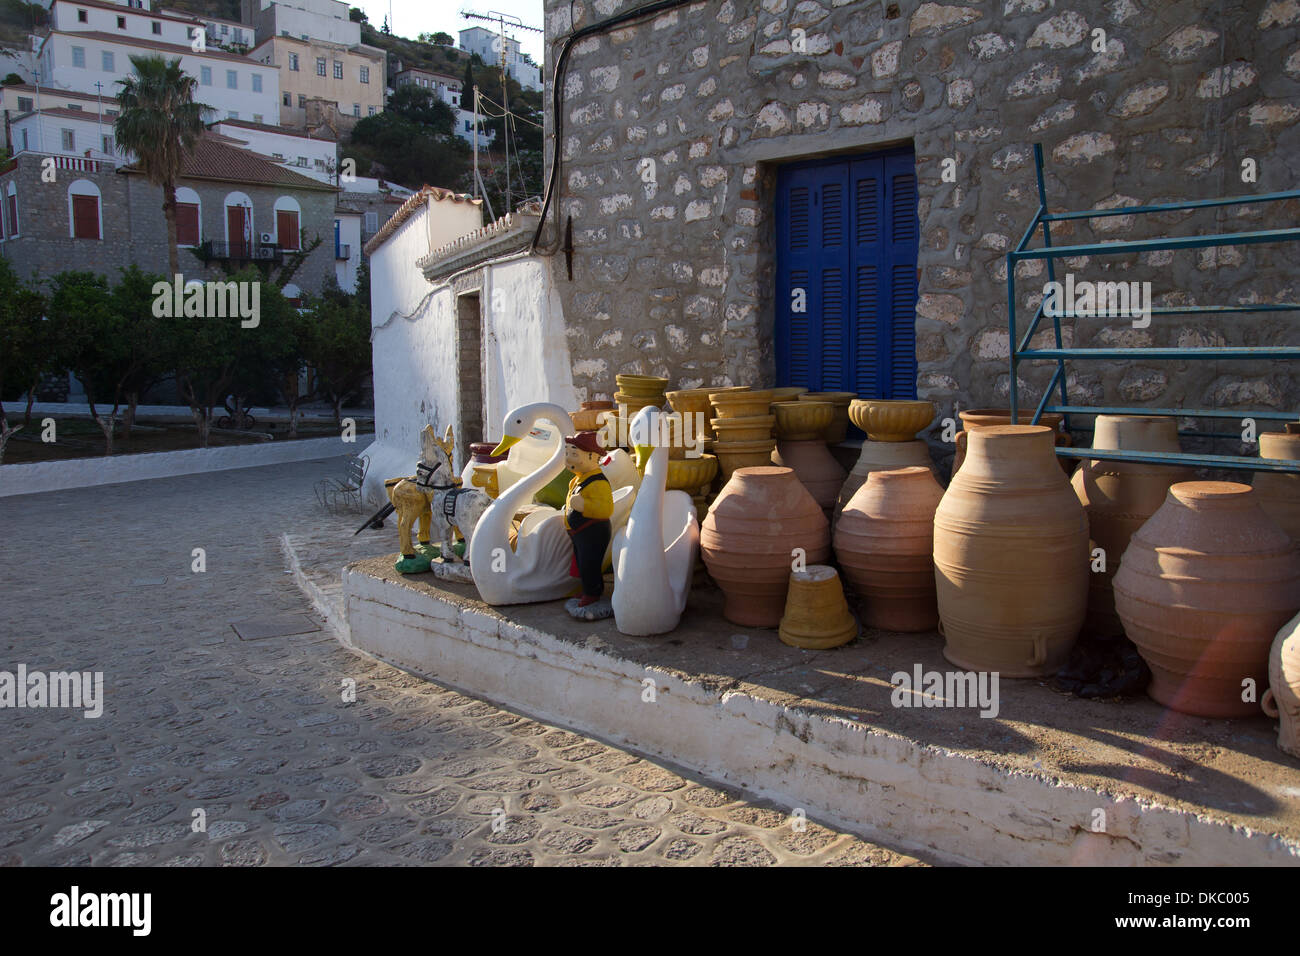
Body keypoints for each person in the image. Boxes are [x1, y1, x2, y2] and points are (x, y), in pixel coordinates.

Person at [563, 430, 613, 609]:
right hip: (579, 532)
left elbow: (606, 509)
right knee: (581, 562)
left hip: (593, 531)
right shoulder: (577, 480)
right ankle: (588, 589)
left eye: (574, 454)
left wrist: (584, 506)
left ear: (593, 457)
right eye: (567, 453)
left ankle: (592, 593)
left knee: (589, 563)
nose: (568, 458)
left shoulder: (599, 482)